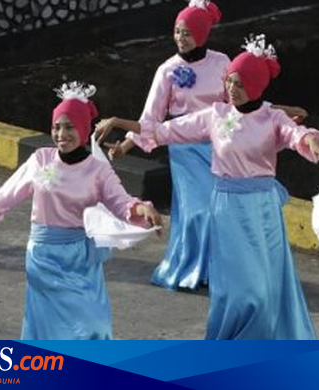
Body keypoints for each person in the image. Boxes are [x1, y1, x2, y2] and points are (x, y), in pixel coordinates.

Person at [95, 35, 319, 339]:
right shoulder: (216, 115)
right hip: (228, 208)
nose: (231, 90)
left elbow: (297, 133)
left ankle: (268, 345)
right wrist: (119, 122)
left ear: (256, 86)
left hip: (264, 211)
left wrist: (313, 140)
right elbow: (164, 129)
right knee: (244, 290)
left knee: (270, 285)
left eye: (240, 84)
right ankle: (239, 343)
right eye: (229, 82)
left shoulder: (272, 118)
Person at [105, 0, 307, 291]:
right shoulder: (167, 70)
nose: (180, 37)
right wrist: (125, 146)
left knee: (221, 209)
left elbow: (242, 100)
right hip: (183, 149)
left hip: (220, 142)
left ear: (201, 33)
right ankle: (191, 267)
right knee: (197, 210)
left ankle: (223, 269)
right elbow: (151, 118)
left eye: (187, 32)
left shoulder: (222, 61)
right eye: (176, 31)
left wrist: (279, 110)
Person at [0, 83, 162, 340]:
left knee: (93, 328)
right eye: (56, 127)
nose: (61, 134)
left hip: (80, 259)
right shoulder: (41, 159)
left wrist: (142, 207)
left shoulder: (98, 170)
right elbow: (5, 195)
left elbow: (121, 202)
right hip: (43, 257)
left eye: (69, 127)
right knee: (49, 330)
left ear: (82, 129)